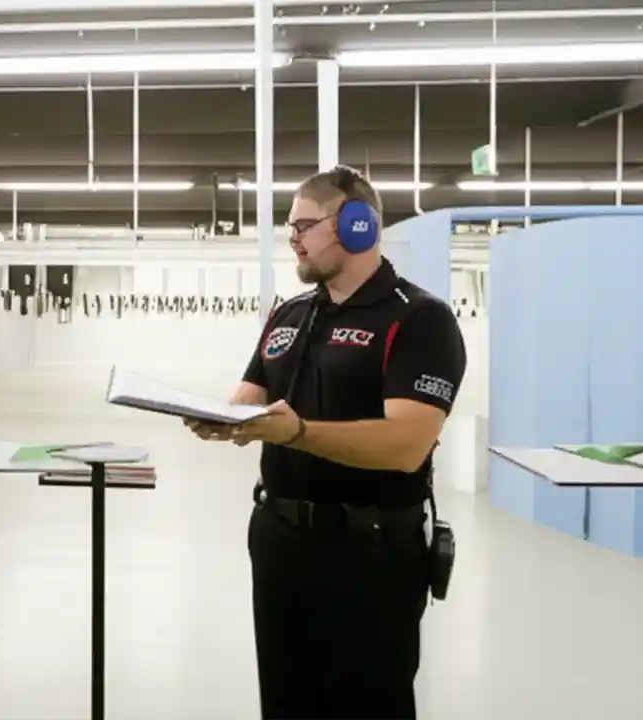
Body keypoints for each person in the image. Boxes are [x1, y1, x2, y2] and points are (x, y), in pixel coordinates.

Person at [189, 166, 467, 719]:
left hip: (370, 550)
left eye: (305, 225)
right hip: (278, 541)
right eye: (290, 225)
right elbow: (248, 398)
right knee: (286, 702)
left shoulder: (419, 320)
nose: (292, 237)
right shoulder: (291, 313)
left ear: (359, 226)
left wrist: (295, 432)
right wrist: (220, 419)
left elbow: (405, 445)